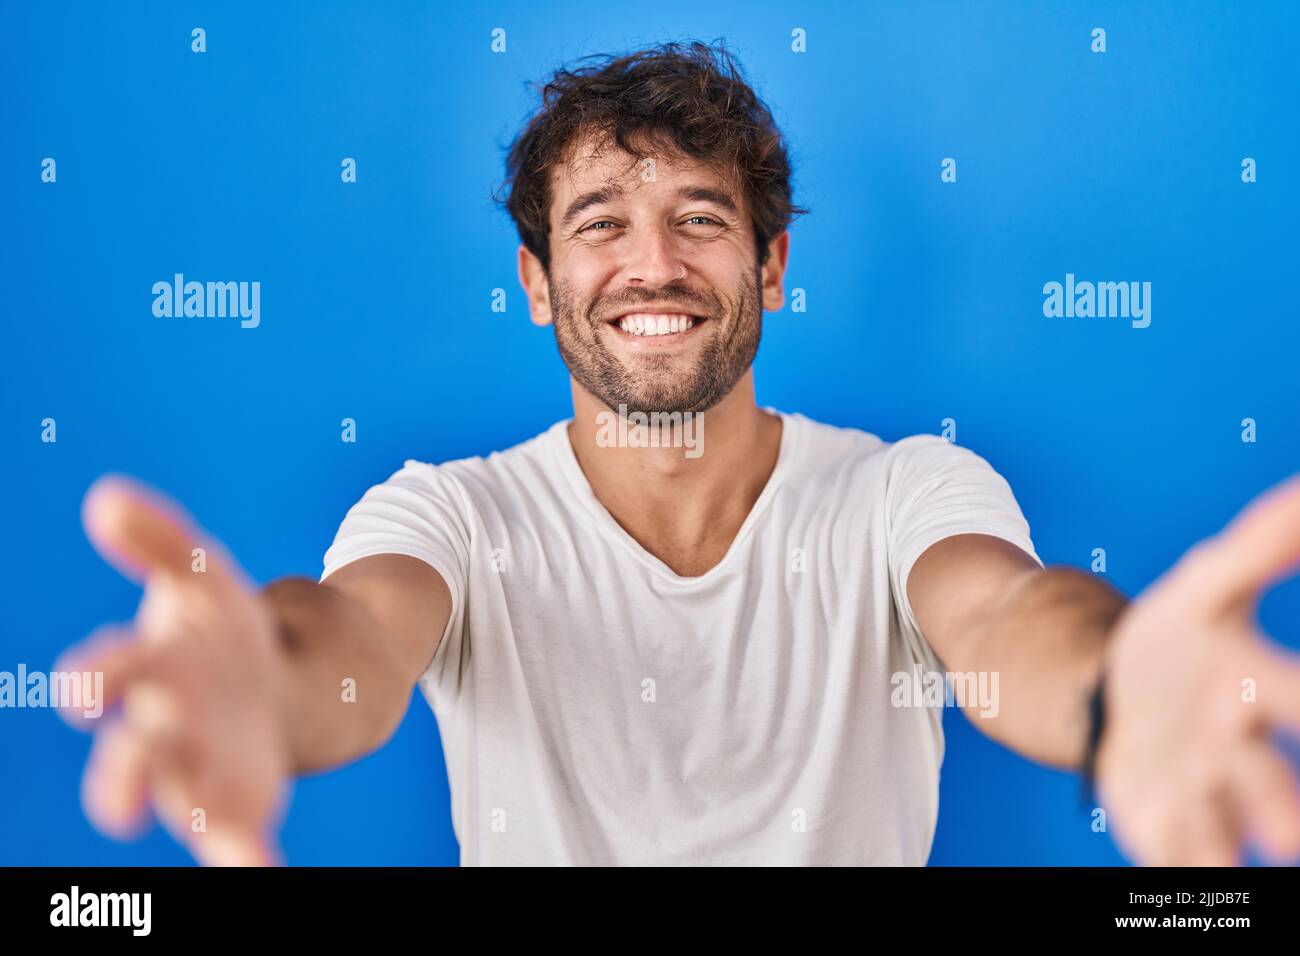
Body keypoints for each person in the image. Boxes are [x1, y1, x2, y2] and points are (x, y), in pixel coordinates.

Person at [60, 41, 1300, 866]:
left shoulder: (904, 489)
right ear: (538, 286)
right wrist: (268, 696)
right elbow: (353, 640)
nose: (651, 266)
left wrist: (1112, 689)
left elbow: (1005, 618)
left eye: (699, 221)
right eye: (600, 225)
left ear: (768, 268)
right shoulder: (449, 515)